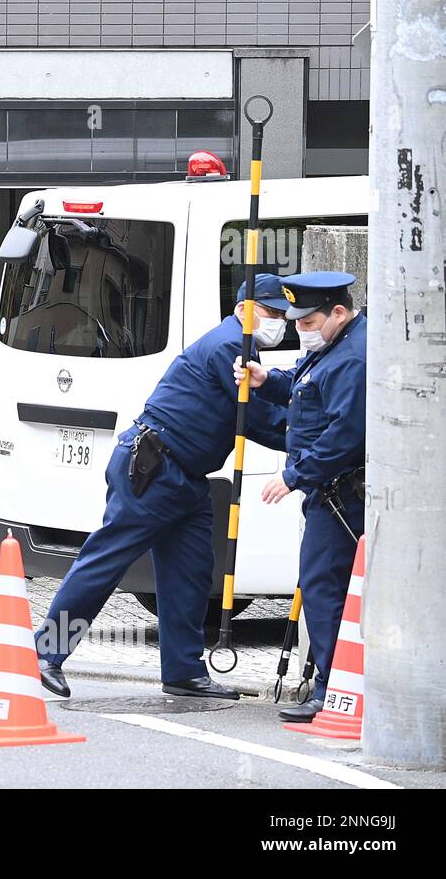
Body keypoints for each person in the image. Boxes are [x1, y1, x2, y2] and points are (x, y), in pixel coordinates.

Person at [34, 274, 295, 701]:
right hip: (153, 467)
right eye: (271, 313)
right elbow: (259, 419)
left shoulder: (244, 350)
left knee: (189, 575)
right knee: (105, 563)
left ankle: (183, 672)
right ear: (245, 310)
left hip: (187, 477)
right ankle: (45, 653)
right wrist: (316, 439)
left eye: (283, 315)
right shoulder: (230, 346)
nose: (279, 322)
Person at [234, 271, 365, 723]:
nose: (299, 330)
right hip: (331, 493)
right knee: (329, 588)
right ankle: (339, 686)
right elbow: (302, 384)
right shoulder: (334, 346)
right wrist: (266, 378)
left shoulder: (354, 359)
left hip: (341, 494)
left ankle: (332, 693)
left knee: (323, 587)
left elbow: (345, 434)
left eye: (307, 322)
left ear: (339, 313)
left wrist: (294, 475)